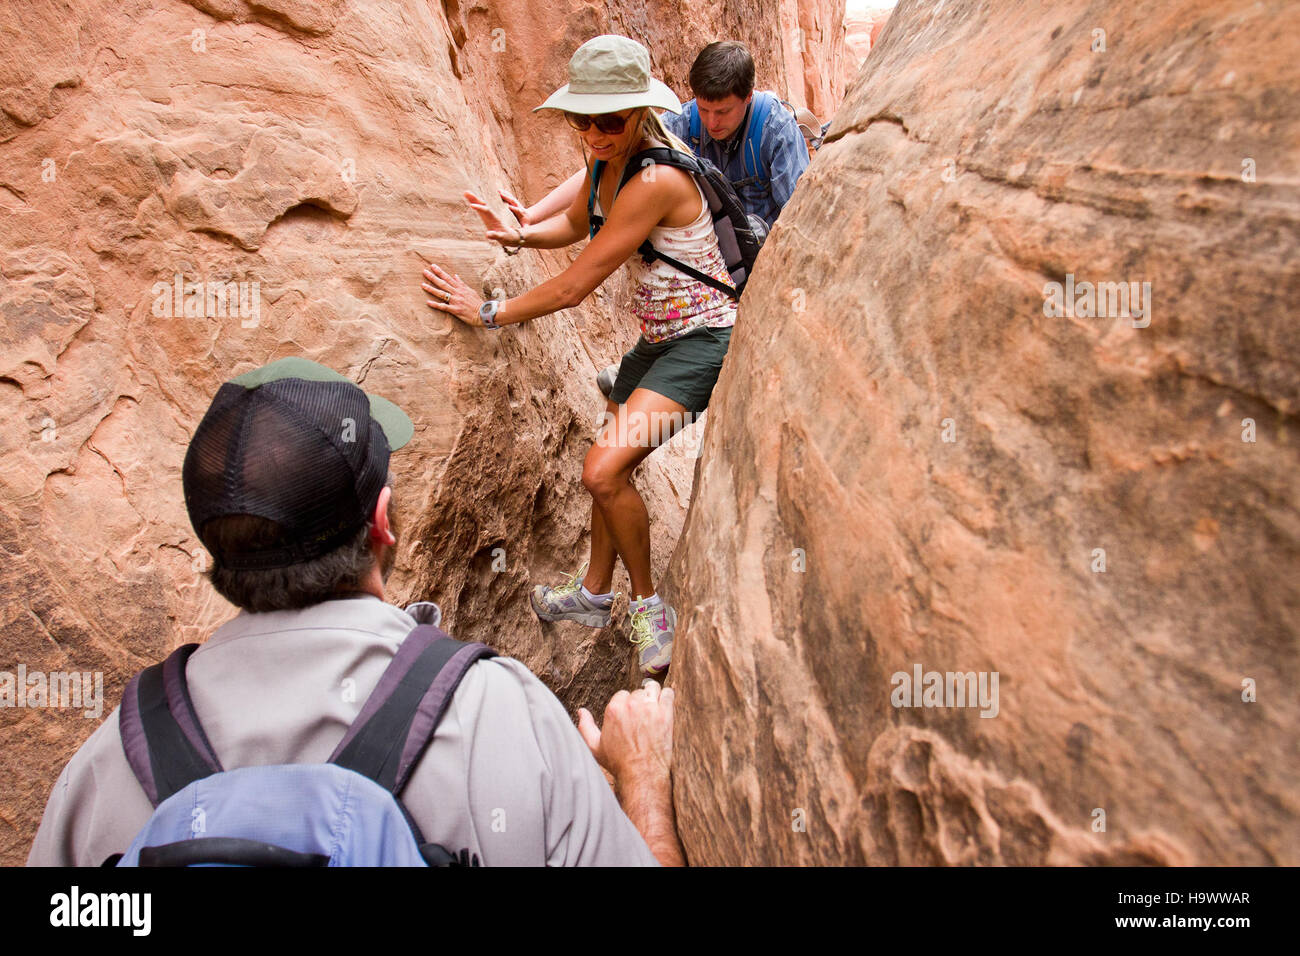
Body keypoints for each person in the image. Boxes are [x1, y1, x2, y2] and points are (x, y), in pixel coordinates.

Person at [26, 357, 683, 867]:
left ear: (214, 546)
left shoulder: (107, 767)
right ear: (382, 522)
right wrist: (644, 784)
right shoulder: (497, 714)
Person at [421, 34, 738, 676]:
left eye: (610, 121)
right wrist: (520, 234)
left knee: (602, 470)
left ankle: (648, 608)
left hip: (705, 341)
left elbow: (574, 285)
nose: (594, 133)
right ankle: (593, 592)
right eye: (582, 119)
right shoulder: (605, 159)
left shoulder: (656, 178)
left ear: (639, 113)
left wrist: (487, 312)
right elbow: (575, 223)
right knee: (608, 466)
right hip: (658, 340)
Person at [494, 40, 809, 398]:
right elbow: (606, 159)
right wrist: (534, 214)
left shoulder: (775, 130)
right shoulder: (685, 120)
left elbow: (798, 217)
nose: (712, 122)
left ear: (748, 98)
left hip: (760, 260)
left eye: (722, 112)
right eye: (704, 109)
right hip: (705, 268)